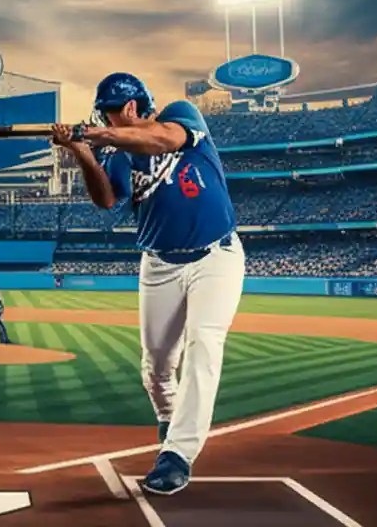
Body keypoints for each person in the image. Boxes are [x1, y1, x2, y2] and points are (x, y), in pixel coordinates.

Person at [52, 72, 243, 496]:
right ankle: (170, 424)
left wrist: (100, 134)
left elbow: (165, 140)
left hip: (217, 255)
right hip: (159, 265)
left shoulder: (181, 115)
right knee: (156, 367)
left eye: (108, 114)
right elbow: (104, 199)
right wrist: (82, 150)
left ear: (130, 109)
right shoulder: (117, 155)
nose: (105, 120)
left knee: (204, 345)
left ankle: (178, 454)